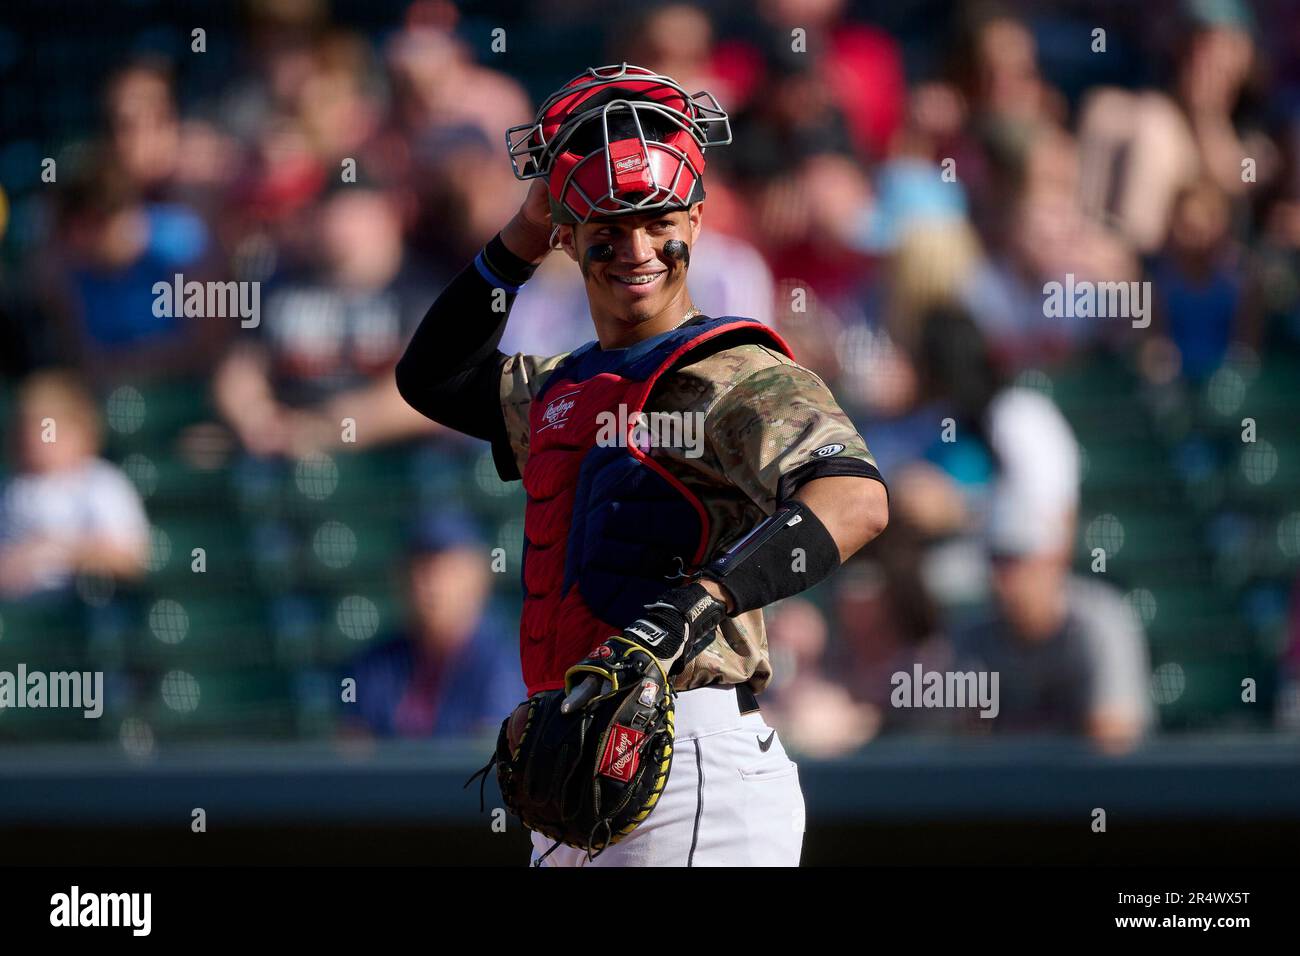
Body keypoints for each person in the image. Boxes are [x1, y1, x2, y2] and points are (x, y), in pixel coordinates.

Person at [395, 64, 888, 866]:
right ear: (568, 234)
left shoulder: (732, 368)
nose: (638, 248)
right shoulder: (560, 386)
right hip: (575, 757)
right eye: (607, 227)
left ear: (695, 217)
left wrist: (698, 604)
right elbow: (433, 376)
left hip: (691, 754)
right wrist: (521, 233)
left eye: (659, 220)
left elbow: (857, 501)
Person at [341, 513, 523, 739]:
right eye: (419, 567)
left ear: (479, 576)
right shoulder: (374, 666)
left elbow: (491, 760)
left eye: (446, 569)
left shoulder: (506, 666)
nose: (429, 583)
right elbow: (351, 754)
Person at [0, 370, 149, 599]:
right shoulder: (12, 490)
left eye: (49, 431)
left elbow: (130, 560)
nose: (38, 443)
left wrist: (61, 551)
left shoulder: (101, 483)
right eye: (28, 432)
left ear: (81, 432)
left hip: (91, 610)